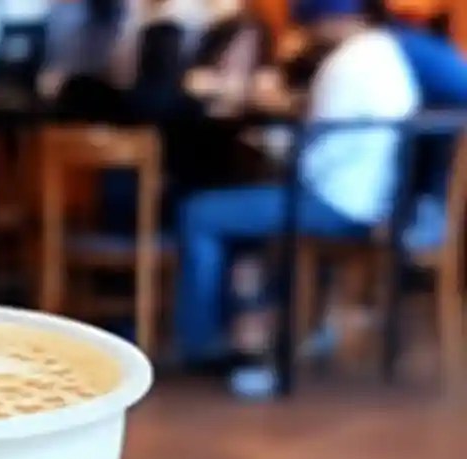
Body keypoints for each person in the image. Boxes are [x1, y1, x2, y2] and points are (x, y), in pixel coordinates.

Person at [174, 0, 420, 370]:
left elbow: (313, 157)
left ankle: (201, 343)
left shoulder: (345, 65)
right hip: (371, 199)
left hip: (332, 202)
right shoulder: (386, 55)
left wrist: (275, 148)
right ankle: (249, 332)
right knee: (239, 213)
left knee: (200, 212)